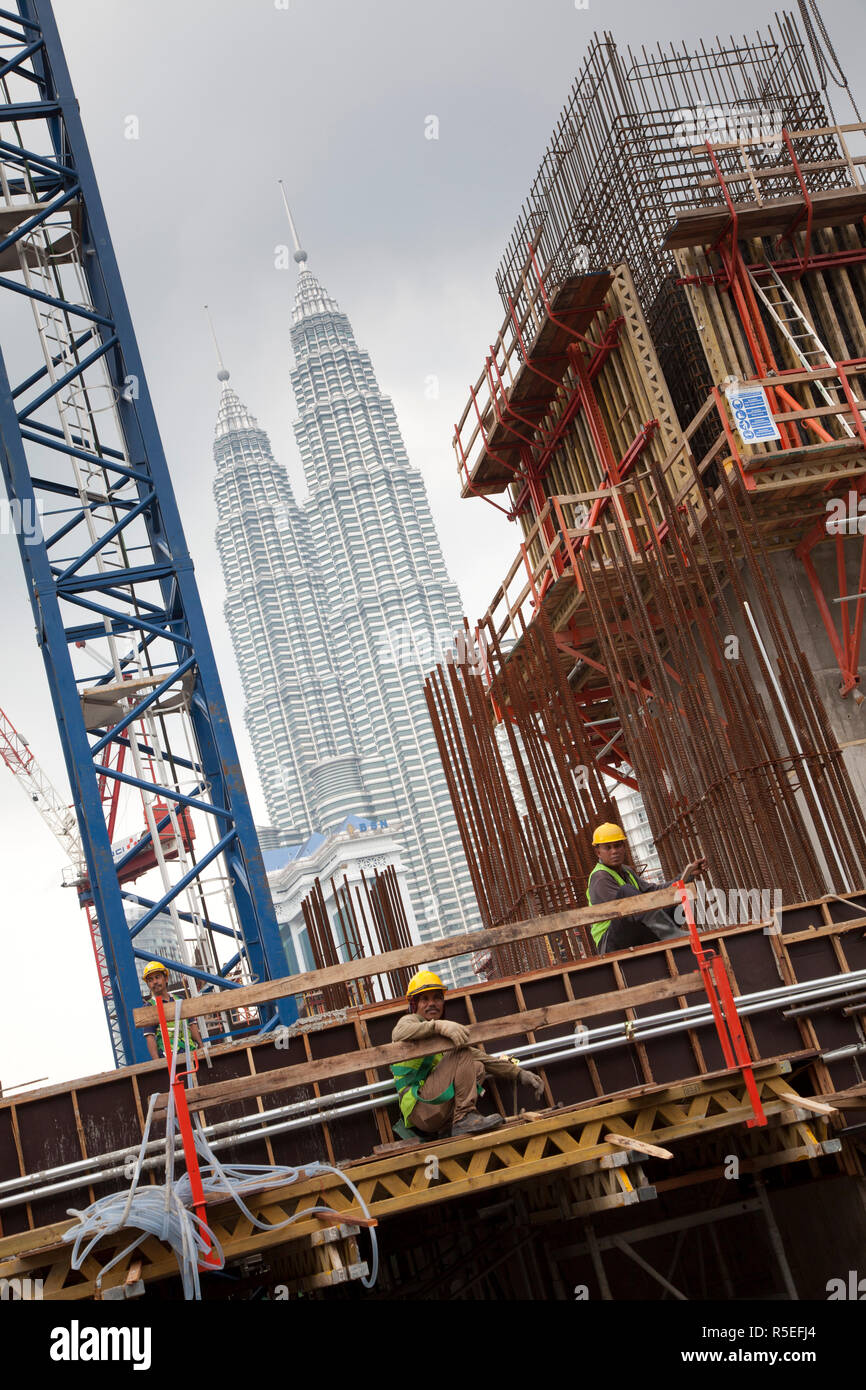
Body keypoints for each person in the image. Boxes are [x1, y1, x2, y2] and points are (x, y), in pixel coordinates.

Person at [390, 970, 546, 1139]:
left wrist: (519, 1073)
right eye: (424, 999)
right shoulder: (410, 1022)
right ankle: (464, 1116)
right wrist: (438, 1026)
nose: (432, 1003)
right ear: (414, 1005)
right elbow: (398, 1033)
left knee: (477, 1066)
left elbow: (482, 1058)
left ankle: (453, 1125)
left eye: (437, 998)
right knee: (462, 1050)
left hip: (436, 1113)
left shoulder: (444, 1039)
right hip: (420, 1109)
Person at [586, 823, 708, 956]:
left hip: (634, 933)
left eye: (617, 846)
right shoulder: (600, 878)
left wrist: (686, 876)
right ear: (598, 852)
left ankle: (669, 935)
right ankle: (671, 935)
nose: (614, 851)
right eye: (608, 848)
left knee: (679, 899)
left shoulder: (627, 871)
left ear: (624, 847)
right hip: (610, 944)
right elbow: (626, 912)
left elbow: (654, 891)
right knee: (627, 892)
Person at [140, 961, 202, 1062]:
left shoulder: (180, 1000)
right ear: (148, 985)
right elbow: (150, 1037)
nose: (154, 982)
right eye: (150, 980)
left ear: (166, 979)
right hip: (168, 1057)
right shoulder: (150, 1006)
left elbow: (191, 1024)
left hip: (189, 1052)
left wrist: (200, 1045)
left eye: (157, 977)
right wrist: (158, 1063)